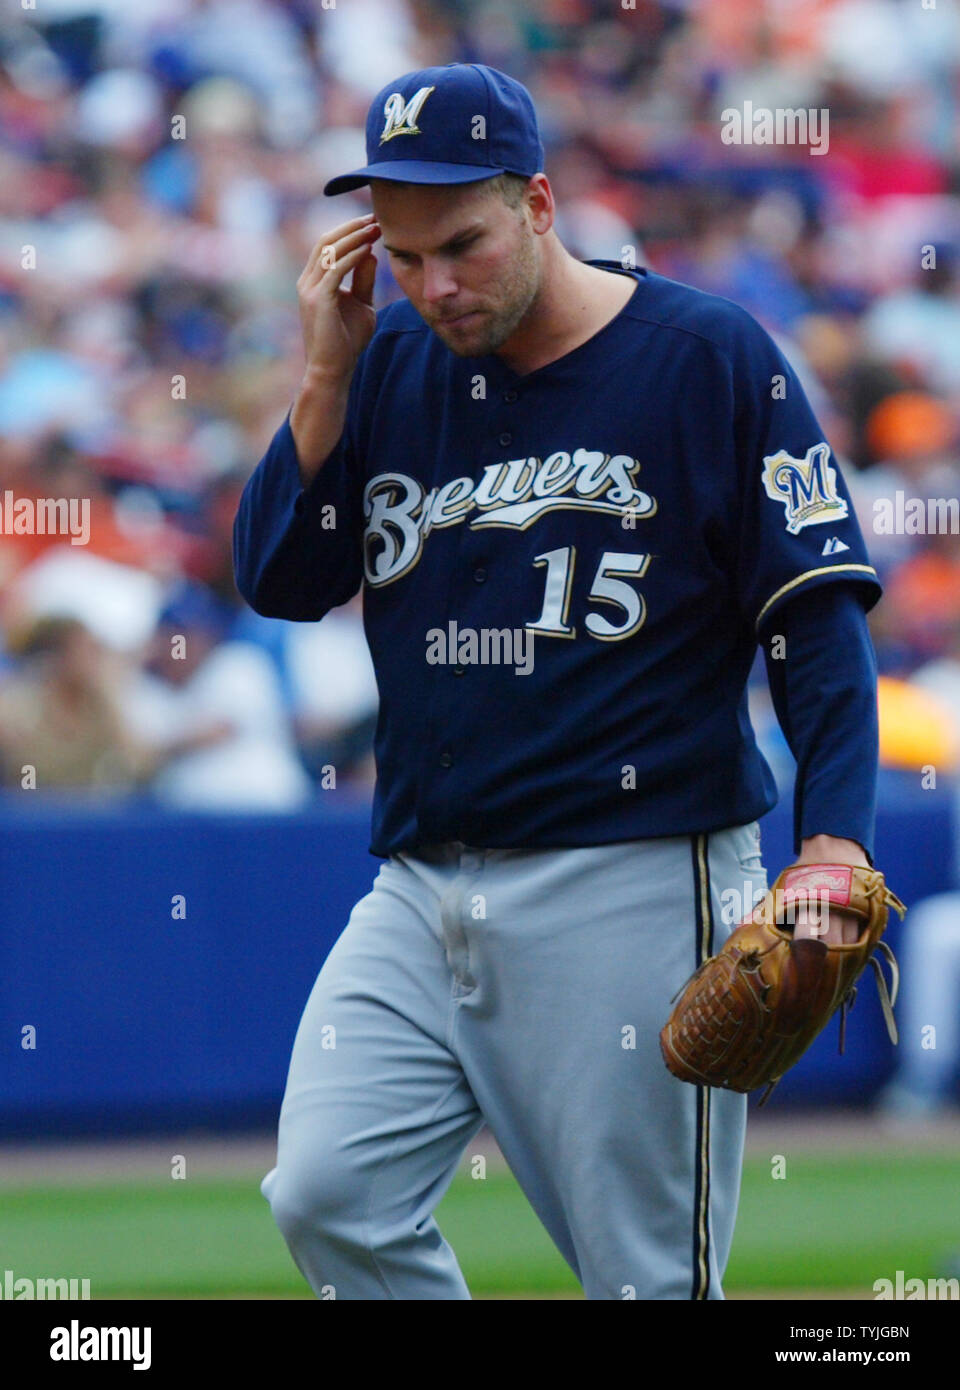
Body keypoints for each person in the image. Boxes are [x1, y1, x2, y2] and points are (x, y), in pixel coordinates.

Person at [233, 63, 884, 1300]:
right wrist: (323, 379)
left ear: (538, 203)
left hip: (635, 871)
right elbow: (279, 579)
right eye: (405, 255)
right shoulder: (387, 359)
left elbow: (815, 618)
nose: (434, 284)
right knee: (327, 1194)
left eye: (462, 246)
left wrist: (833, 840)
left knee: (644, 1278)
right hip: (420, 881)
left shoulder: (704, 357)